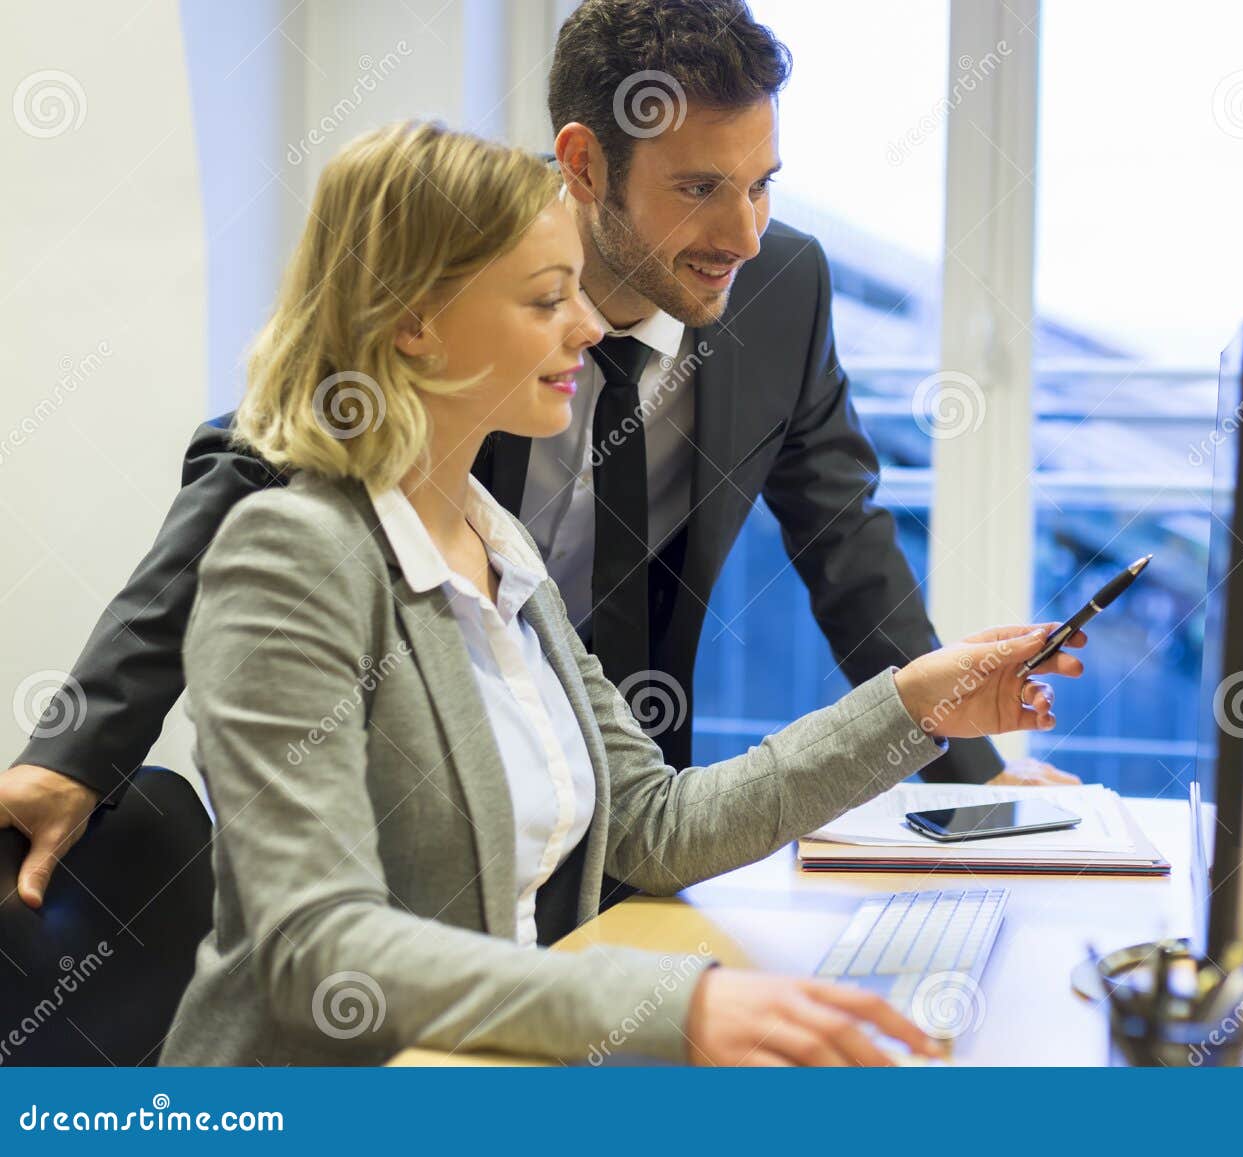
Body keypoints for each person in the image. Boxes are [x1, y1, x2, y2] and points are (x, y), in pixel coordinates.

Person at [0, 0, 1077, 911]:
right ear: (583, 163)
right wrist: (77, 745)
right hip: (417, 811)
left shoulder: (780, 287)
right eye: (699, 187)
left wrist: (969, 762)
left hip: (618, 777)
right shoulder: (472, 257)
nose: (743, 234)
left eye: (763, 185)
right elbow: (260, 458)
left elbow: (843, 536)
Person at [158, 121, 1082, 1066]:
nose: (592, 327)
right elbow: (319, 946)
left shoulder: (495, 541)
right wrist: (670, 1002)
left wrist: (913, 704)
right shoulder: (294, 559)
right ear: (413, 321)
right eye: (546, 298)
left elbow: (656, 825)